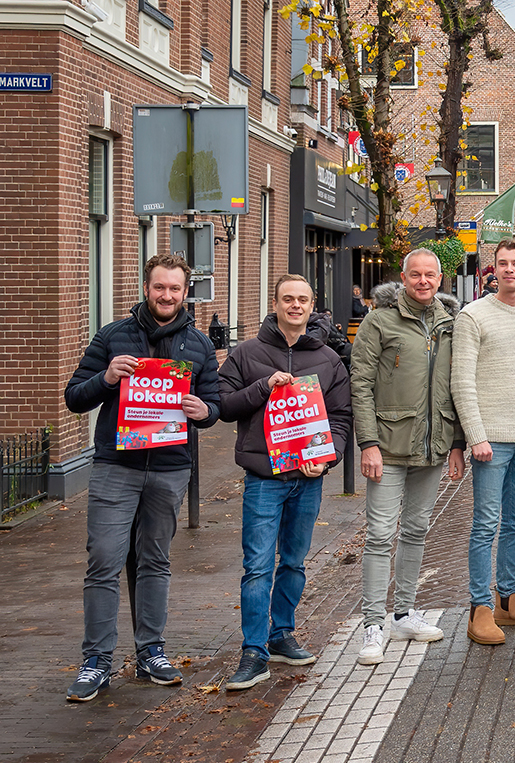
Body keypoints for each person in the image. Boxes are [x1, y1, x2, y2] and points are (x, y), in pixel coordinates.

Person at [63, 254, 222, 701]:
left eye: (175, 288)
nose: (166, 295)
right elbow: (75, 396)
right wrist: (107, 378)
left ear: (185, 291)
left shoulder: (199, 347)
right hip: (117, 467)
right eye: (159, 287)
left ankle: (151, 650)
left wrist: (204, 411)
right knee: (104, 561)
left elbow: (214, 406)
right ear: (146, 287)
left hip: (170, 470)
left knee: (155, 562)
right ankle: (97, 660)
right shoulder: (113, 337)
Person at [217, 275, 352, 689]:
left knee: (293, 562)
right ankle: (253, 652)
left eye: (303, 300)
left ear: (313, 306)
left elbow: (341, 419)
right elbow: (223, 406)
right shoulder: (246, 353)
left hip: (307, 479)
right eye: (287, 299)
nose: (295, 306)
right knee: (257, 566)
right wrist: (263, 386)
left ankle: (281, 635)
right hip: (264, 478)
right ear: (274, 304)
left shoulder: (328, 360)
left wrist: (328, 458)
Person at [350, 250, 465, 666]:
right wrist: (368, 444)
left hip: (433, 446)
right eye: (415, 274)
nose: (423, 281)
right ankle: (372, 625)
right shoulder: (379, 321)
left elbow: (458, 385)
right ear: (403, 277)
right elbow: (359, 384)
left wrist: (456, 444)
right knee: (380, 535)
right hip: (388, 445)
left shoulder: (452, 323)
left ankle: (403, 614)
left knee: (416, 529)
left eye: (430, 275)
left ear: (440, 278)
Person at [452, 240, 515, 645]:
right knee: (485, 524)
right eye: (503, 264)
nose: (509, 270)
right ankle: (479, 607)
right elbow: (461, 381)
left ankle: (507, 600)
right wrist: (476, 436)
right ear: (491, 270)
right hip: (491, 441)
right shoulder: (472, 316)